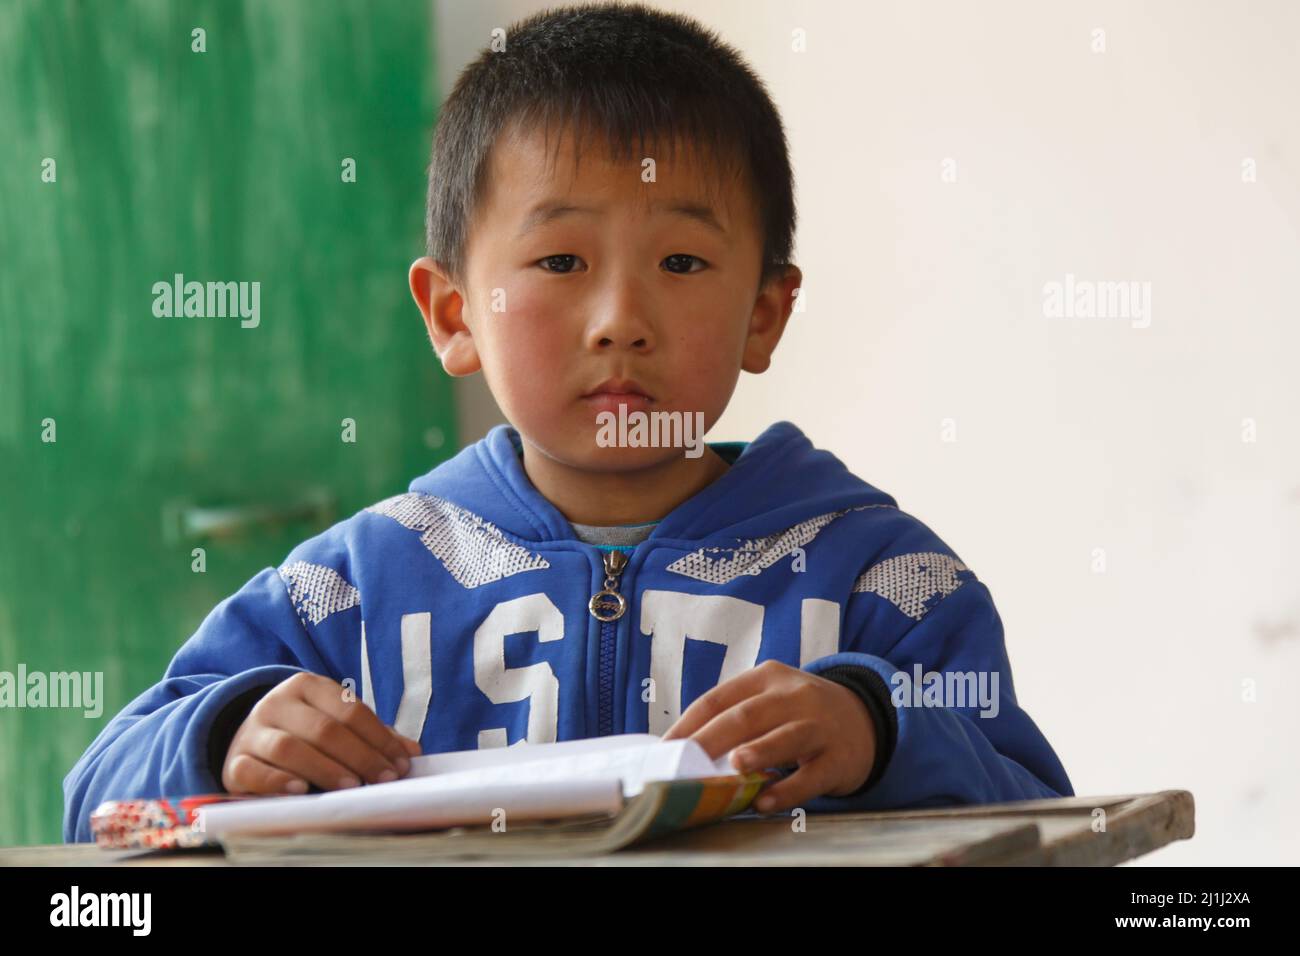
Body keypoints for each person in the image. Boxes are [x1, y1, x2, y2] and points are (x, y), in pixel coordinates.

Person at [63, 1, 1071, 843]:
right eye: (559, 263)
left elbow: (1040, 810)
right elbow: (97, 802)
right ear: (455, 313)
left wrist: (879, 729)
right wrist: (227, 730)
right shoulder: (350, 589)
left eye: (681, 263)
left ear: (764, 312)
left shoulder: (881, 577)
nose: (619, 320)